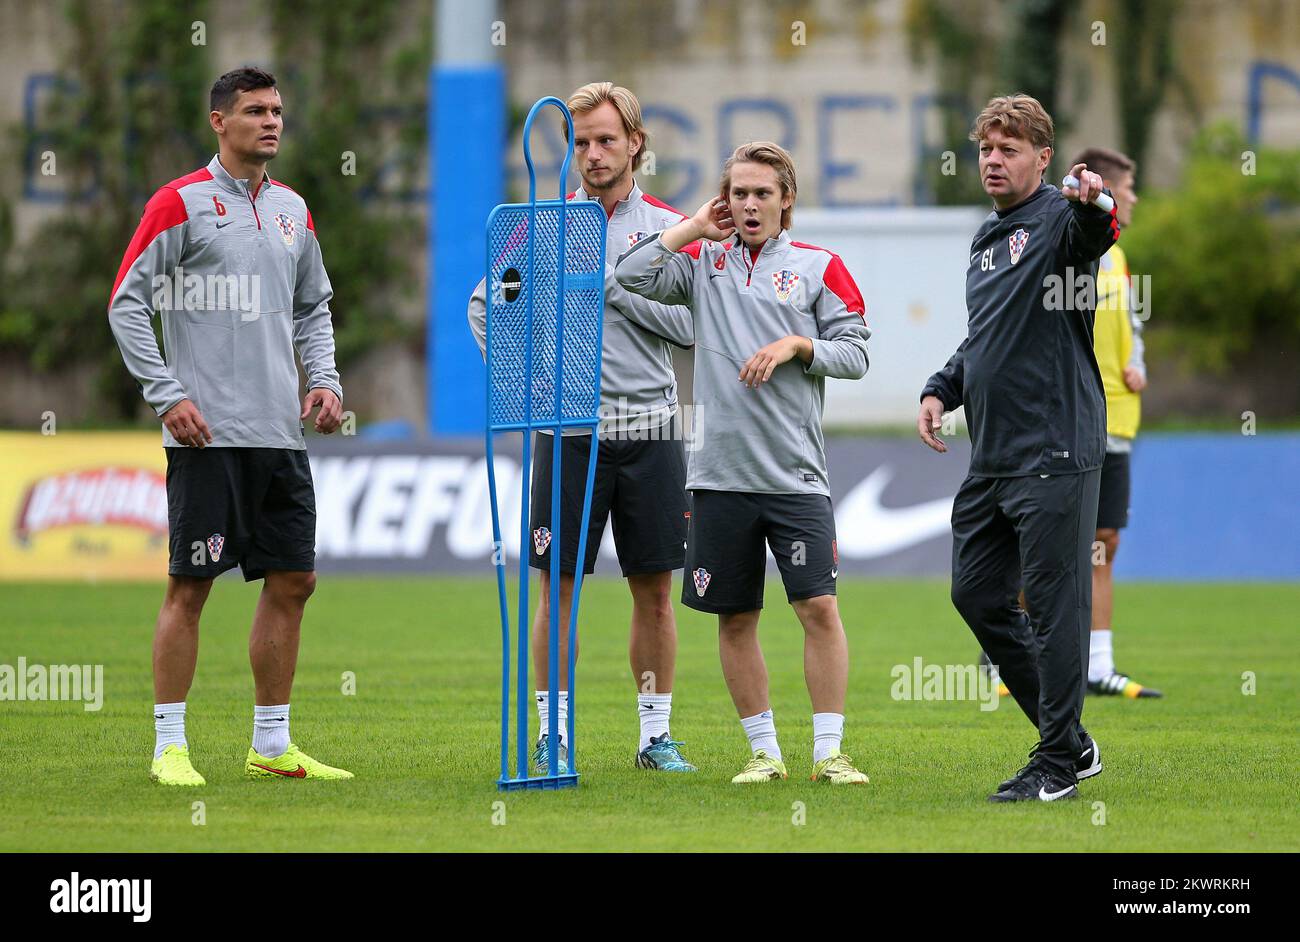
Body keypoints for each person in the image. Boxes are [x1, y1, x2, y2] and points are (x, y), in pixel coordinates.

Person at [108, 67, 351, 785]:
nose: (271, 121)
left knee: (296, 579)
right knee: (191, 586)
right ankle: (169, 748)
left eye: (278, 109)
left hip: (280, 434)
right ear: (219, 121)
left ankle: (271, 744)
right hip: (206, 436)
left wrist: (327, 382)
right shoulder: (178, 204)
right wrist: (167, 393)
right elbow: (127, 301)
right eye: (255, 110)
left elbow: (313, 308)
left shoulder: (294, 212)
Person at [617, 142, 872, 784]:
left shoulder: (821, 266)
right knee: (736, 618)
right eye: (738, 193)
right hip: (718, 478)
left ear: (787, 199)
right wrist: (692, 229)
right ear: (723, 200)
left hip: (795, 477)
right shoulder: (705, 264)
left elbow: (857, 353)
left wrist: (797, 345)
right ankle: (764, 754)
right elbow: (627, 276)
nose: (749, 204)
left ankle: (829, 754)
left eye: (762, 193)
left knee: (818, 609)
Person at [468, 83, 697, 773]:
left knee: (654, 592)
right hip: (567, 432)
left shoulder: (668, 228)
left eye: (606, 140)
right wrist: (531, 383)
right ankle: (554, 734)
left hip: (651, 429)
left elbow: (694, 325)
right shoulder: (537, 226)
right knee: (558, 589)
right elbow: (486, 310)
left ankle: (654, 738)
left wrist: (621, 289)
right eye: (582, 142)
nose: (593, 154)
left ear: (635, 143)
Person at [917, 94, 1118, 802]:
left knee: (1060, 607)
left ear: (1042, 157)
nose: (993, 160)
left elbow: (1098, 230)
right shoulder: (985, 239)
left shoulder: (1063, 222)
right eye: (985, 149)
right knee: (973, 592)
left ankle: (1057, 764)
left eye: (1008, 148)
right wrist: (943, 387)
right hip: (994, 454)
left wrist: (1098, 205)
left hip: (1056, 447)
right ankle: (1072, 741)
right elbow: (987, 339)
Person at [1069, 147, 1162, 699]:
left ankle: (1098, 666)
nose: (1133, 196)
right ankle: (1005, 651)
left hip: (1117, 418)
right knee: (1054, 542)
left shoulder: (1119, 258)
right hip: (1076, 414)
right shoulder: (1077, 246)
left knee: (1105, 540)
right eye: (1127, 187)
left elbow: (1131, 326)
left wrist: (1138, 364)